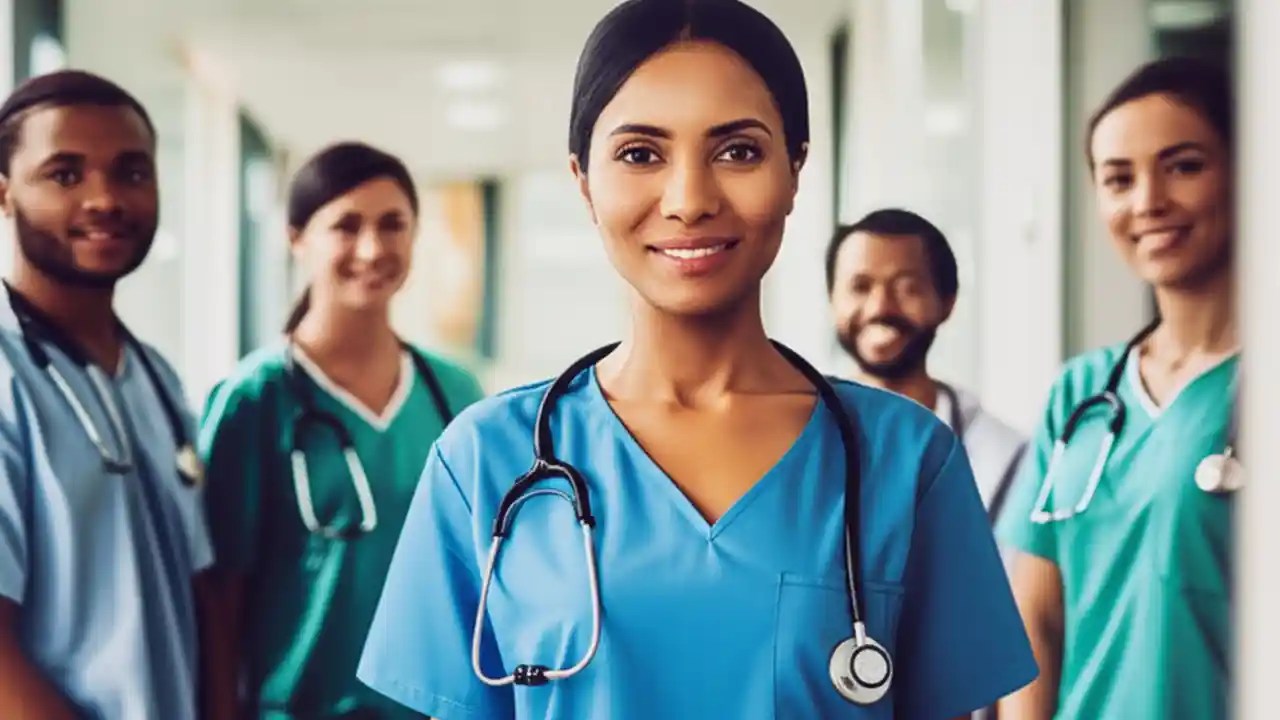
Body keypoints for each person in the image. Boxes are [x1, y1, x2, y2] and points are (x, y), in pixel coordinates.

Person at [356, 2, 1037, 718]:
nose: (689, 200)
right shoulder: (485, 461)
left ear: (795, 169)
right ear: (584, 181)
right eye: (640, 154)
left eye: (737, 151)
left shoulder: (907, 459)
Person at [198, 141, 486, 719]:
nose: (372, 248)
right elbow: (218, 593)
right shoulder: (256, 398)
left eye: (392, 224)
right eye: (346, 226)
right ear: (297, 238)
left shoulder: (455, 394)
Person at [997, 57, 1238, 719]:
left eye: (1183, 166)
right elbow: (1035, 622)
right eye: (1118, 179)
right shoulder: (1080, 393)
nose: (1148, 202)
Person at [0, 70, 215, 719]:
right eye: (65, 174)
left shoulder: (156, 379)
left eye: (132, 172)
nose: (105, 199)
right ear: (5, 193)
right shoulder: (7, 376)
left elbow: (200, 592)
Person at [826, 208, 1028, 523]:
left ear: (947, 303)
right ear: (832, 298)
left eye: (907, 288)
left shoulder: (1006, 457)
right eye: (860, 287)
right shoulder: (792, 437)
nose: (880, 307)